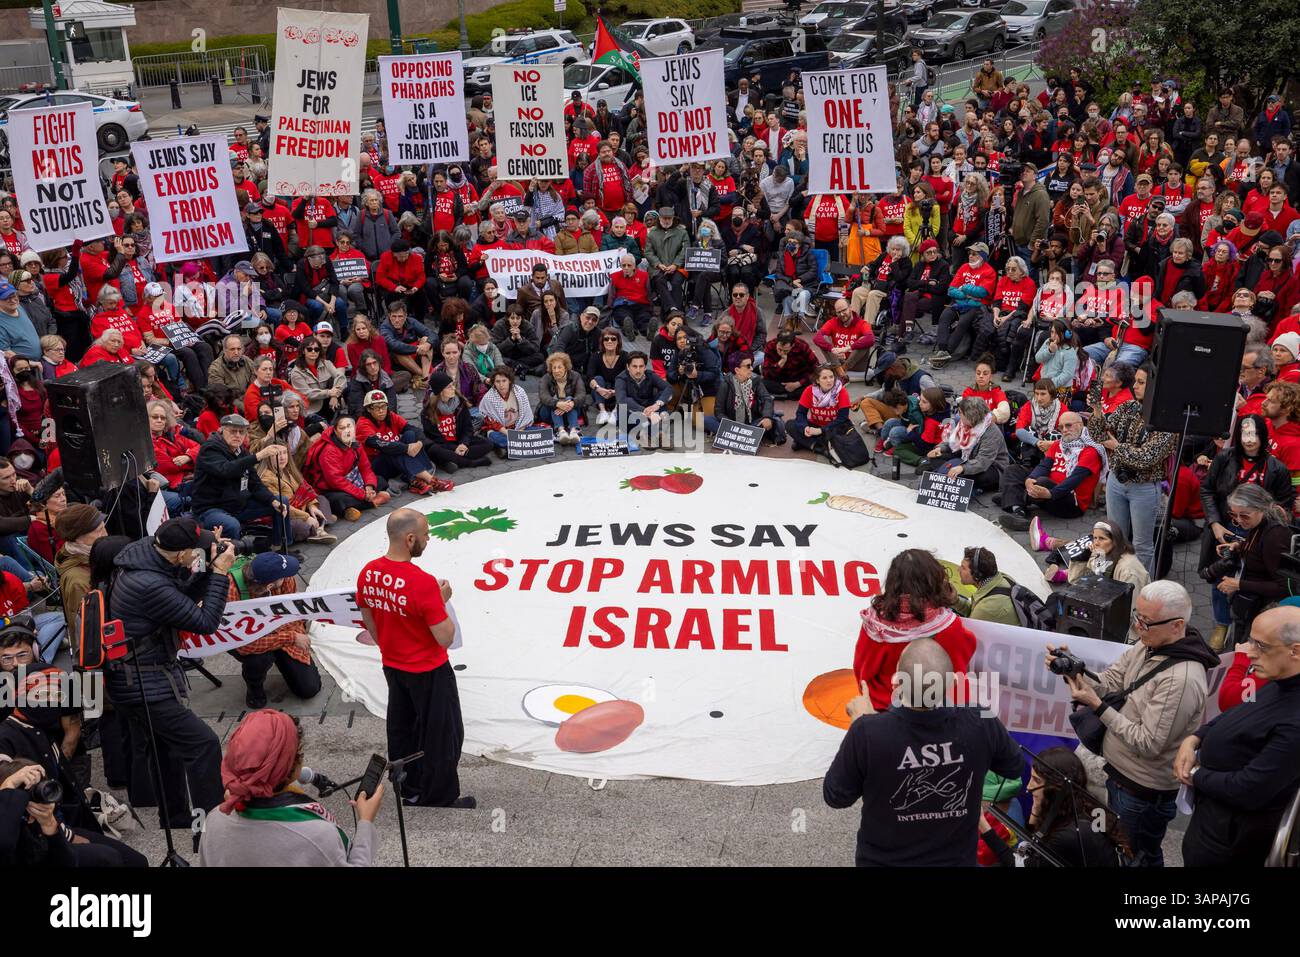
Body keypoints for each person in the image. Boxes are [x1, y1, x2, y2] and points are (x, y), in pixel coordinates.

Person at [1046, 580, 1218, 866]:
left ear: (1177, 626)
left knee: (1137, 856)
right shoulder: (1149, 642)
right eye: (1137, 617)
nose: (1138, 626)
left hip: (1142, 791)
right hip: (1122, 777)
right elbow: (1111, 681)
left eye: (1146, 622)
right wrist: (1074, 670)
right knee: (1126, 850)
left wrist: (1098, 706)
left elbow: (1149, 744)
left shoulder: (1182, 680)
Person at [824, 637, 1022, 867]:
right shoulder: (980, 720)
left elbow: (836, 796)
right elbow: (1014, 766)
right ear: (952, 683)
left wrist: (861, 724)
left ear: (896, 681)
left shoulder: (867, 732)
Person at [106, 518, 238, 827]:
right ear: (179, 554)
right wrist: (220, 572)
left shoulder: (145, 553)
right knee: (202, 745)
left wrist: (206, 561)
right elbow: (205, 622)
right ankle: (211, 828)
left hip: (132, 675)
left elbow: (180, 596)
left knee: (166, 748)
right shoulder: (149, 584)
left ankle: (176, 818)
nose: (198, 552)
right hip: (142, 682)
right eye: (196, 549)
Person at [356, 509, 474, 809]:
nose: (428, 538)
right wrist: (441, 599)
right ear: (410, 539)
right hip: (429, 669)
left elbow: (367, 615)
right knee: (442, 734)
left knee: (402, 728)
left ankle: (408, 785)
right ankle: (439, 796)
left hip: (393, 664)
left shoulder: (368, 572)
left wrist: (387, 643)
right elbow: (445, 637)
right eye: (425, 534)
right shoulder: (422, 584)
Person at [1177, 605, 1300, 867]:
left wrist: (1196, 774)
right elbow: (1240, 711)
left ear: (1296, 651)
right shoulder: (1280, 676)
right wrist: (1196, 737)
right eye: (1251, 641)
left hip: (1230, 838)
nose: (1249, 652)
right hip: (1214, 818)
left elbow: (1248, 789)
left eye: (1262, 646)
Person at [198, 709, 382, 866]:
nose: (301, 757)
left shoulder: (214, 821)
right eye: (298, 752)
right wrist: (365, 822)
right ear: (290, 766)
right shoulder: (317, 835)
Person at [979, 747, 1127, 867]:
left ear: (1056, 788)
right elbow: (1030, 846)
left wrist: (983, 825)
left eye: (1036, 780)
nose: (1029, 787)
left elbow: (1017, 864)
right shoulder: (1079, 805)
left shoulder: (1068, 834)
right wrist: (1036, 812)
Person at [221, 553, 322, 711]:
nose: (289, 576)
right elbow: (243, 645)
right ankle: (254, 686)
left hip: (279, 629)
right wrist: (291, 638)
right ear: (269, 586)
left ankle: (280, 655)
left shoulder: (285, 578)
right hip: (243, 638)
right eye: (284, 576)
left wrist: (292, 637)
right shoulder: (231, 590)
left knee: (309, 689)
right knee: (259, 659)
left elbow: (293, 616)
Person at [191, 413, 291, 546]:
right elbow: (226, 470)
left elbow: (254, 483)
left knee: (280, 502)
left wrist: (271, 500)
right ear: (222, 431)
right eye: (233, 431)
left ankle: (283, 547)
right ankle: (235, 561)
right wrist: (259, 455)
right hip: (211, 508)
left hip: (238, 505)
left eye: (241, 432)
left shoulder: (240, 451)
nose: (237, 435)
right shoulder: (210, 448)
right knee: (232, 525)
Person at [1212, 483, 1294, 639]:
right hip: (1253, 606)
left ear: (1261, 508)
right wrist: (1239, 546)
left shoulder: (1274, 536)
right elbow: (1259, 550)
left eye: (1244, 515)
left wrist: (1238, 584)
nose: (1238, 521)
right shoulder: (1260, 523)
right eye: (1233, 515)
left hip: (1264, 613)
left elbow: (1284, 587)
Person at [996, 411, 1105, 530]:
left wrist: (1051, 494)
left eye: (1068, 425)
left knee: (1042, 482)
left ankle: (1013, 497)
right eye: (1061, 427)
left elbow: (1074, 480)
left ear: (1080, 425)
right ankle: (1018, 511)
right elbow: (1044, 466)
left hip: (1071, 502)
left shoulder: (1091, 451)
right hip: (1049, 489)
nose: (1064, 430)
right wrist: (1030, 479)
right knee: (1013, 470)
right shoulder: (1058, 444)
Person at [356, 390, 453, 495]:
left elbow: (414, 429)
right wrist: (406, 448)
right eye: (376, 407)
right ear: (368, 410)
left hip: (397, 460)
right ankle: (430, 480)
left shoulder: (390, 416)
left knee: (410, 434)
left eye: (384, 406)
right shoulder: (363, 424)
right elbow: (380, 444)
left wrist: (419, 443)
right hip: (378, 466)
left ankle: (415, 480)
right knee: (392, 449)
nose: (381, 411)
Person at [303, 417, 391, 521]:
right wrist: (362, 494)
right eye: (342, 428)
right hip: (330, 488)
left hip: (352, 480)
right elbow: (336, 481)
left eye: (349, 426)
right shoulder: (328, 451)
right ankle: (373, 501)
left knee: (380, 480)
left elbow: (365, 467)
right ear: (335, 431)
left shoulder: (355, 443)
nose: (347, 431)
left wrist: (369, 487)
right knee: (339, 500)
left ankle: (355, 506)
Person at [920, 397, 1009, 493]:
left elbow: (983, 461)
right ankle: (945, 475)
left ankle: (954, 481)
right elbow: (952, 441)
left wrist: (962, 468)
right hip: (967, 456)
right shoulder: (964, 423)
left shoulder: (991, 433)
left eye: (961, 413)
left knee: (977, 477)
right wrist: (940, 449)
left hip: (991, 466)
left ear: (970, 416)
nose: (959, 415)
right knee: (938, 457)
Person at [422, 372, 492, 472]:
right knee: (433, 450)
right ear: (440, 390)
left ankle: (450, 462)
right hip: (443, 445)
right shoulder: (427, 412)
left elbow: (467, 428)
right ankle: (470, 462)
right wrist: (454, 448)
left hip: (459, 441)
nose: (453, 389)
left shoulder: (460, 404)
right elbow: (435, 439)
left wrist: (463, 443)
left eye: (453, 386)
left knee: (488, 443)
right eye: (449, 387)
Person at [790, 364, 850, 454]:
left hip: (835, 427)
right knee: (791, 424)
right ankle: (819, 447)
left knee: (845, 434)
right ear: (817, 380)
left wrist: (821, 430)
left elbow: (843, 418)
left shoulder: (841, 392)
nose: (829, 380)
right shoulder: (809, 390)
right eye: (824, 378)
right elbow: (801, 413)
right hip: (816, 425)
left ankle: (806, 443)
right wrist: (805, 427)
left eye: (831, 377)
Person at [954, 547, 1019, 626]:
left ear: (977, 575)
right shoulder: (1004, 578)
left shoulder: (987, 607)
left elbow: (969, 631)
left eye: (963, 568)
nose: (958, 570)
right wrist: (954, 600)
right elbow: (973, 611)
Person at [538, 352, 587, 446]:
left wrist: (572, 402)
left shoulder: (576, 376)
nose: (556, 371)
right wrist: (558, 404)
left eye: (559, 367)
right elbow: (543, 396)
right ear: (550, 369)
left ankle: (573, 431)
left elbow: (582, 394)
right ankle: (560, 431)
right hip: (549, 413)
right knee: (554, 402)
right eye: (554, 368)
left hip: (571, 411)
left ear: (566, 367)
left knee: (569, 398)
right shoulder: (545, 378)